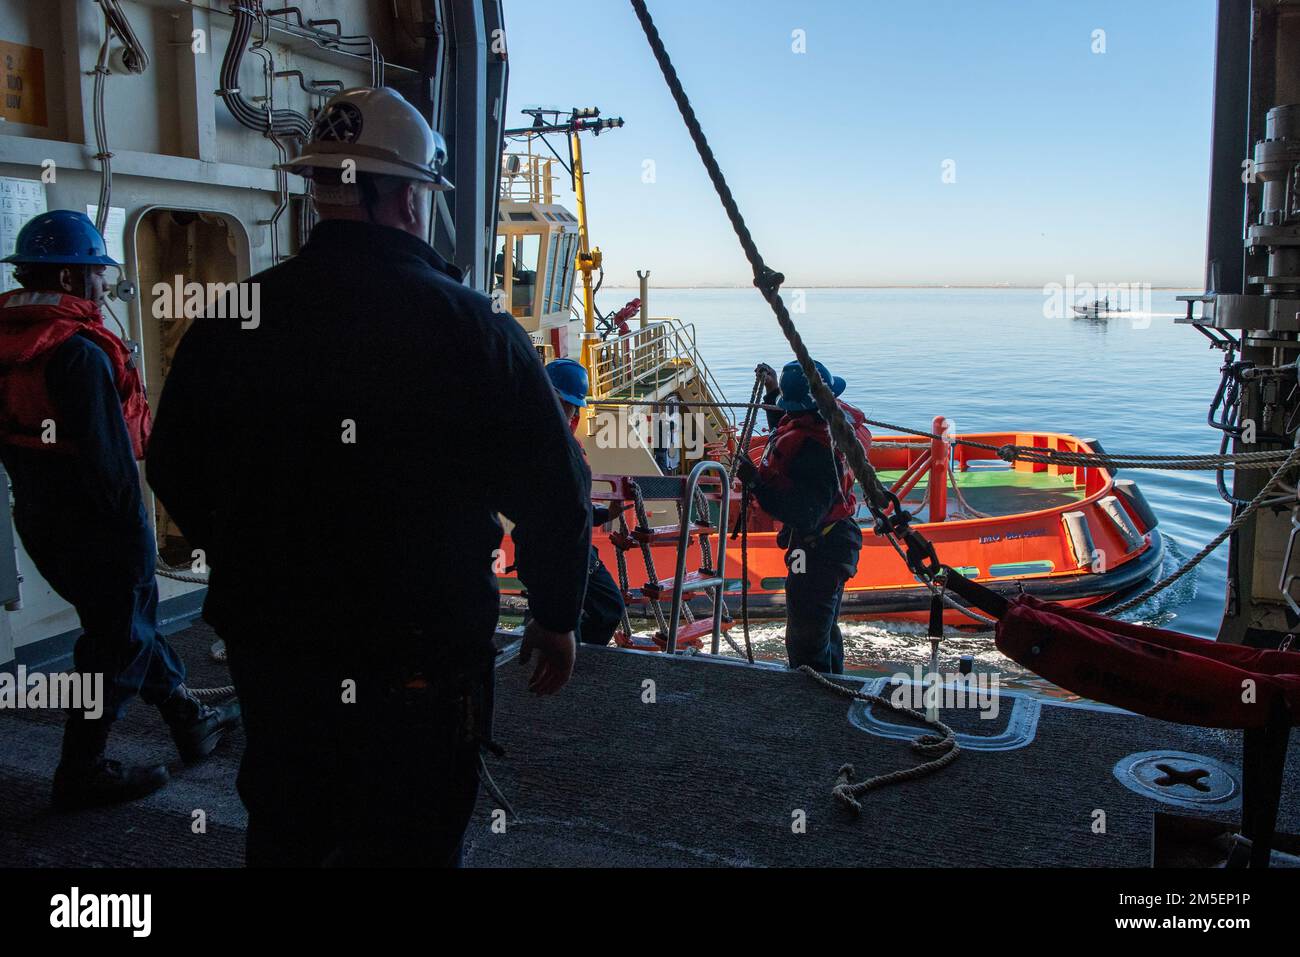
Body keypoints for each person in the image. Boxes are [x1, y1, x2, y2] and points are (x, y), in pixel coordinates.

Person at [146, 88, 592, 867]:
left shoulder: (233, 317)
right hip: (417, 653)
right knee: (411, 839)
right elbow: (554, 493)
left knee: (289, 826)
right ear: (408, 198)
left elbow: (172, 463)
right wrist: (556, 615)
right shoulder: (471, 328)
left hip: (276, 645)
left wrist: (255, 552)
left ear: (322, 187)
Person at [0, 210, 240, 811]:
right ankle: (81, 771)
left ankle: (190, 718)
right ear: (75, 281)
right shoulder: (77, 354)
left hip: (37, 512)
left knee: (123, 626)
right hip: (98, 519)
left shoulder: (11, 345)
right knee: (115, 645)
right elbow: (110, 464)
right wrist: (135, 536)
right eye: (98, 276)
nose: (105, 287)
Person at [736, 360, 867, 674]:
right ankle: (836, 691)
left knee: (805, 642)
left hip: (818, 551)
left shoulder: (817, 451)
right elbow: (791, 425)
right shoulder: (826, 422)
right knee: (823, 631)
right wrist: (772, 391)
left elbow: (804, 513)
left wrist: (753, 482)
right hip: (831, 544)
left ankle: (815, 707)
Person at [546, 358, 626, 646]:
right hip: (565, 550)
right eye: (565, 403)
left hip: (570, 547)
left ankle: (571, 661)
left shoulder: (561, 444)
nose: (568, 411)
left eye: (570, 405)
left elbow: (573, 508)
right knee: (586, 613)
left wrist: (606, 513)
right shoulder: (553, 449)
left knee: (604, 609)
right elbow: (566, 511)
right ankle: (571, 670)